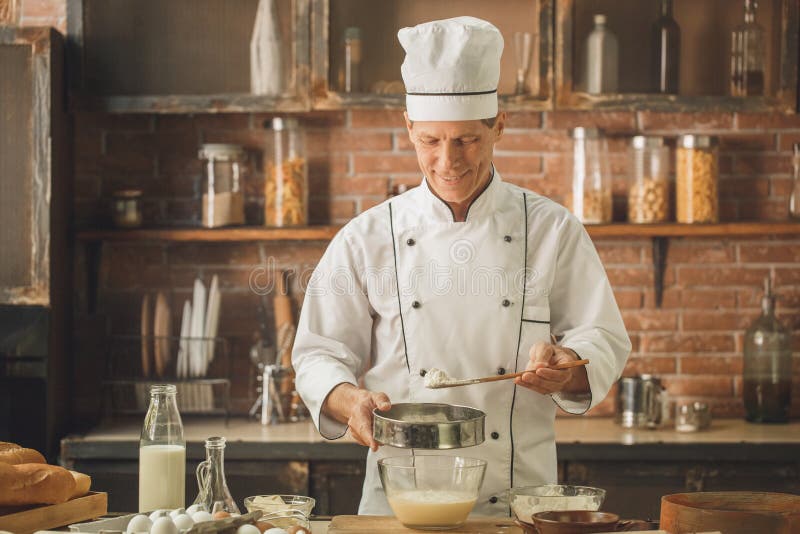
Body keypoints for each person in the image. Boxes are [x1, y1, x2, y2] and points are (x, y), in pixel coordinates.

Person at [292, 16, 631, 517]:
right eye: (430, 140)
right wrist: (347, 399)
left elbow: (601, 338)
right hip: (397, 505)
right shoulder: (366, 237)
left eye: (466, 140)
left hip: (518, 504)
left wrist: (570, 367)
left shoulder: (552, 230)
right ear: (409, 129)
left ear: (498, 126)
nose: (447, 161)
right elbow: (318, 354)